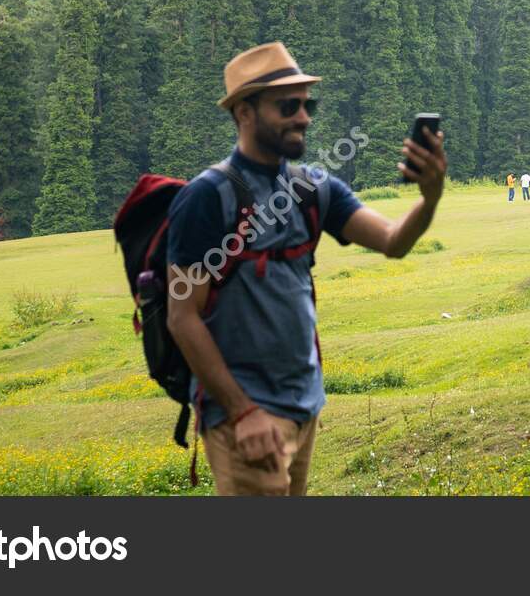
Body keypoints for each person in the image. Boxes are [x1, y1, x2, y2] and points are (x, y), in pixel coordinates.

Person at [166, 42, 448, 496]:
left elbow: (394, 241)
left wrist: (430, 198)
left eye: (307, 104)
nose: (304, 117)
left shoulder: (314, 188)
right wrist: (243, 412)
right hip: (248, 417)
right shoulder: (206, 198)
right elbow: (181, 316)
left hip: (303, 407)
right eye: (288, 105)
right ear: (244, 112)